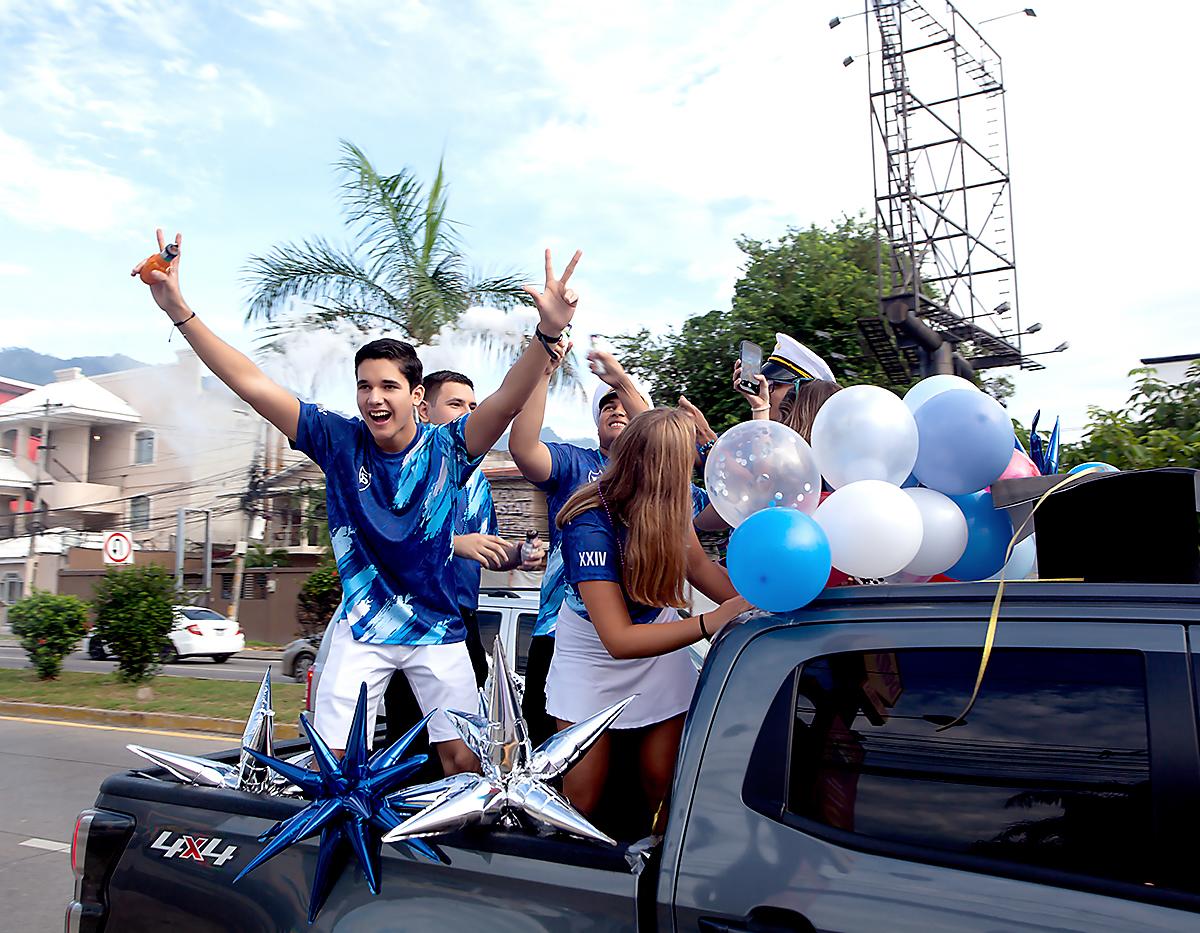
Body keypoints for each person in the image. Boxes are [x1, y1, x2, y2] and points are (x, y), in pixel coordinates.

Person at [133, 231, 581, 775]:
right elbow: (250, 382)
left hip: (438, 628)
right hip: (362, 626)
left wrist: (548, 331)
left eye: (389, 386)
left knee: (462, 762)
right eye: (364, 385)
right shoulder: (338, 440)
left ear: (415, 396)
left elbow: (510, 397)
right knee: (336, 763)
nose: (374, 397)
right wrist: (179, 309)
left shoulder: (452, 446)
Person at [548, 407, 750, 827]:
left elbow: (703, 572)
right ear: (665, 468)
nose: (694, 476)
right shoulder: (588, 521)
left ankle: (659, 856)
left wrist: (763, 599)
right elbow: (618, 640)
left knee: (664, 776)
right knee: (581, 793)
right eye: (688, 464)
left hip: (657, 641)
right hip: (592, 652)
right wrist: (712, 622)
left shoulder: (671, 508)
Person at [507, 341, 652, 744]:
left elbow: (664, 450)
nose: (617, 408)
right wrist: (543, 373)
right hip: (560, 636)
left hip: (640, 643)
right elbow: (523, 449)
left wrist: (621, 378)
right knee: (554, 771)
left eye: (625, 401)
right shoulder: (575, 464)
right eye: (607, 404)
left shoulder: (659, 483)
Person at [381, 369, 525, 755]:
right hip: (415, 621)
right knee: (412, 746)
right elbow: (389, 538)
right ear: (424, 409)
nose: (468, 412)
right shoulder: (403, 464)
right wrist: (456, 542)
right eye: (456, 404)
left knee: (465, 742)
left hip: (465, 620)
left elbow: (487, 549)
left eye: (473, 405)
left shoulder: (478, 479)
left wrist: (519, 555)